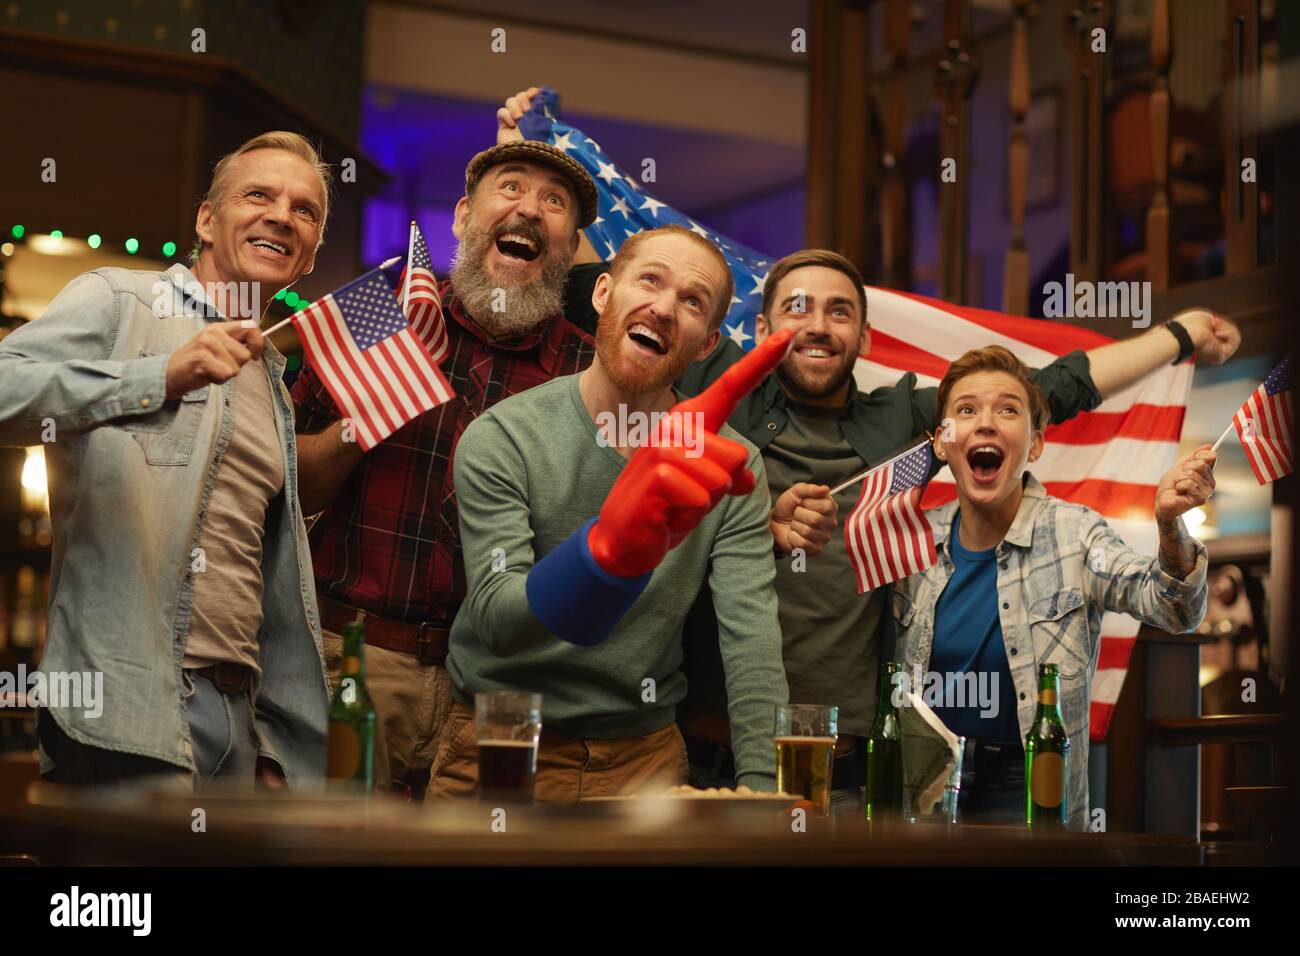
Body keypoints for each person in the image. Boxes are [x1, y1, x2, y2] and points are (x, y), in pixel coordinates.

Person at [502, 90, 1241, 809]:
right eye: (796, 308)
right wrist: (531, 182)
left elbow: (1049, 388)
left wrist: (1175, 336)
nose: (817, 325)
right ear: (759, 332)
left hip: (847, 752)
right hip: (705, 741)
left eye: (839, 312)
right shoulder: (715, 389)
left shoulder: (904, 419)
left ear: (862, 336)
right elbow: (612, 295)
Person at [0, 132, 332, 787]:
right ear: (207, 220)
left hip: (239, 723)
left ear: (312, 256)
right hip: (125, 704)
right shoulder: (120, 300)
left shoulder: (274, 381)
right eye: (258, 194)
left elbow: (262, 577)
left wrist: (270, 744)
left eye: (305, 210)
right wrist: (158, 376)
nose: (281, 215)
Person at [426, 226, 791, 800]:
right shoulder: (504, 436)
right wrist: (605, 554)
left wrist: (766, 794)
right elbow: (498, 622)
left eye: (692, 301)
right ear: (602, 294)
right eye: (649, 279)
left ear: (705, 344)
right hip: (500, 745)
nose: (665, 307)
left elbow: (751, 638)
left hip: (643, 759)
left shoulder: (727, 464)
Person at [292, 136, 602, 797]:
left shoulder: (591, 374)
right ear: (464, 217)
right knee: (333, 852)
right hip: (353, 662)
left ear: (571, 251)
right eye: (511, 188)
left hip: (501, 688)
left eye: (554, 202)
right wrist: (362, 422)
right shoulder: (381, 319)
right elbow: (280, 484)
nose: (529, 210)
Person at [892, 345, 1211, 828]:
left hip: (1030, 784)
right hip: (923, 786)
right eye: (965, 409)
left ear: (1035, 445)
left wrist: (1170, 524)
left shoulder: (1076, 534)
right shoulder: (909, 546)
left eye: (1007, 409)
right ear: (942, 442)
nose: (984, 423)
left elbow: (1176, 611)